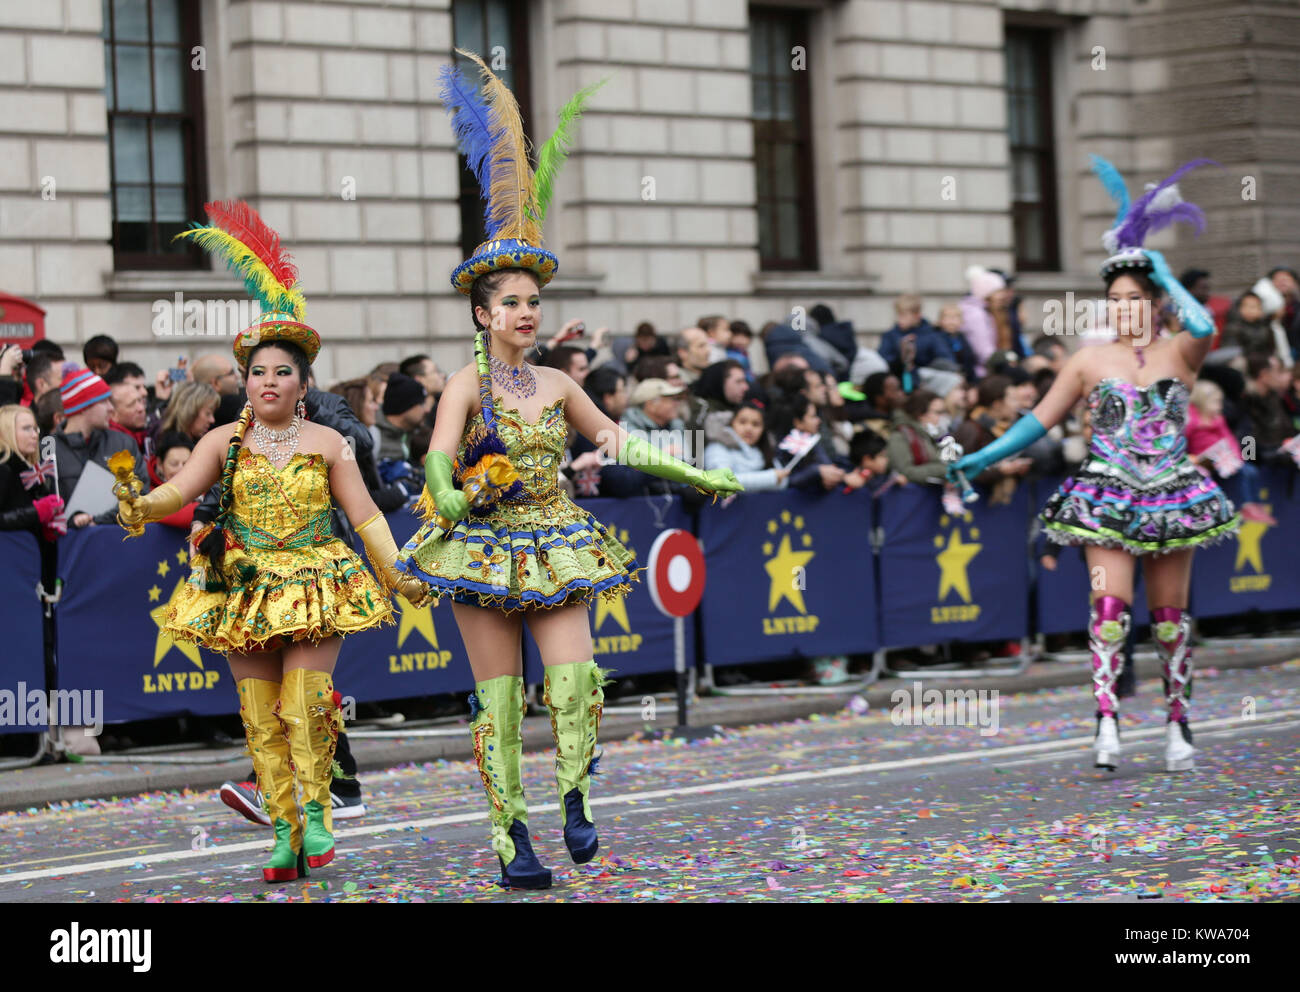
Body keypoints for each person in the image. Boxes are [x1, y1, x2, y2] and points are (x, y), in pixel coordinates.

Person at [394, 53, 740, 890]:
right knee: (500, 701)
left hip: (553, 539)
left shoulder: (557, 382)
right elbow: (440, 451)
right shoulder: (470, 381)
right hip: (481, 545)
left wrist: (696, 470)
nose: (526, 313)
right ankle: (512, 834)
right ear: (483, 314)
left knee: (577, 680)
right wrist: (448, 492)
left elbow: (618, 439)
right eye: (511, 303)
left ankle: (575, 799)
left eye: (533, 303)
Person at [115, 200, 426, 883]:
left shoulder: (327, 442)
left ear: (303, 384)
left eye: (281, 372)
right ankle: (283, 832)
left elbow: (368, 515)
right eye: (257, 373)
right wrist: (141, 502)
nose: (267, 382)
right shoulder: (220, 440)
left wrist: (399, 572)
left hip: (316, 580)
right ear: (245, 383)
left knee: (306, 704)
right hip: (243, 585)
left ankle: (318, 814)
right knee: (259, 716)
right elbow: (179, 493)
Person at [950, 156, 1238, 774]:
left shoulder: (1181, 351)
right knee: (1109, 612)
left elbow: (1207, 322)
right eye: (1114, 299)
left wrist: (1161, 267)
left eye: (1134, 298)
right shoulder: (1089, 361)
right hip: (1106, 493)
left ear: (1154, 302)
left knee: (1168, 621)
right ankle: (1106, 720)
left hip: (1171, 494)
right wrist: (983, 455)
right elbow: (1038, 421)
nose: (1123, 308)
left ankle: (1178, 722)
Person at [53, 367, 148, 526]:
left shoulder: (123, 444)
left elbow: (139, 493)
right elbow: (42, 504)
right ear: (83, 407)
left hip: (115, 540)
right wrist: (72, 521)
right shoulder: (49, 449)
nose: (111, 408)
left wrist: (99, 520)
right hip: (68, 546)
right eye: (104, 401)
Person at [0, 404, 63, 541]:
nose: (35, 435)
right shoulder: (3, 469)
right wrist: (37, 512)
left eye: (35, 429)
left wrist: (48, 525)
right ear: (6, 432)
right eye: (26, 429)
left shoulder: (29, 471)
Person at [702, 401, 790, 492]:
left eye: (755, 424)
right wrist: (771, 478)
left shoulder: (765, 450)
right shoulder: (717, 447)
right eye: (742, 422)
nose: (749, 428)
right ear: (732, 423)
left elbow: (782, 481)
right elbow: (721, 481)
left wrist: (774, 478)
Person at [886, 389, 948, 486]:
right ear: (921, 414)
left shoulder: (935, 435)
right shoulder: (900, 435)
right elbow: (905, 472)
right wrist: (942, 470)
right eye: (938, 412)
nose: (942, 417)